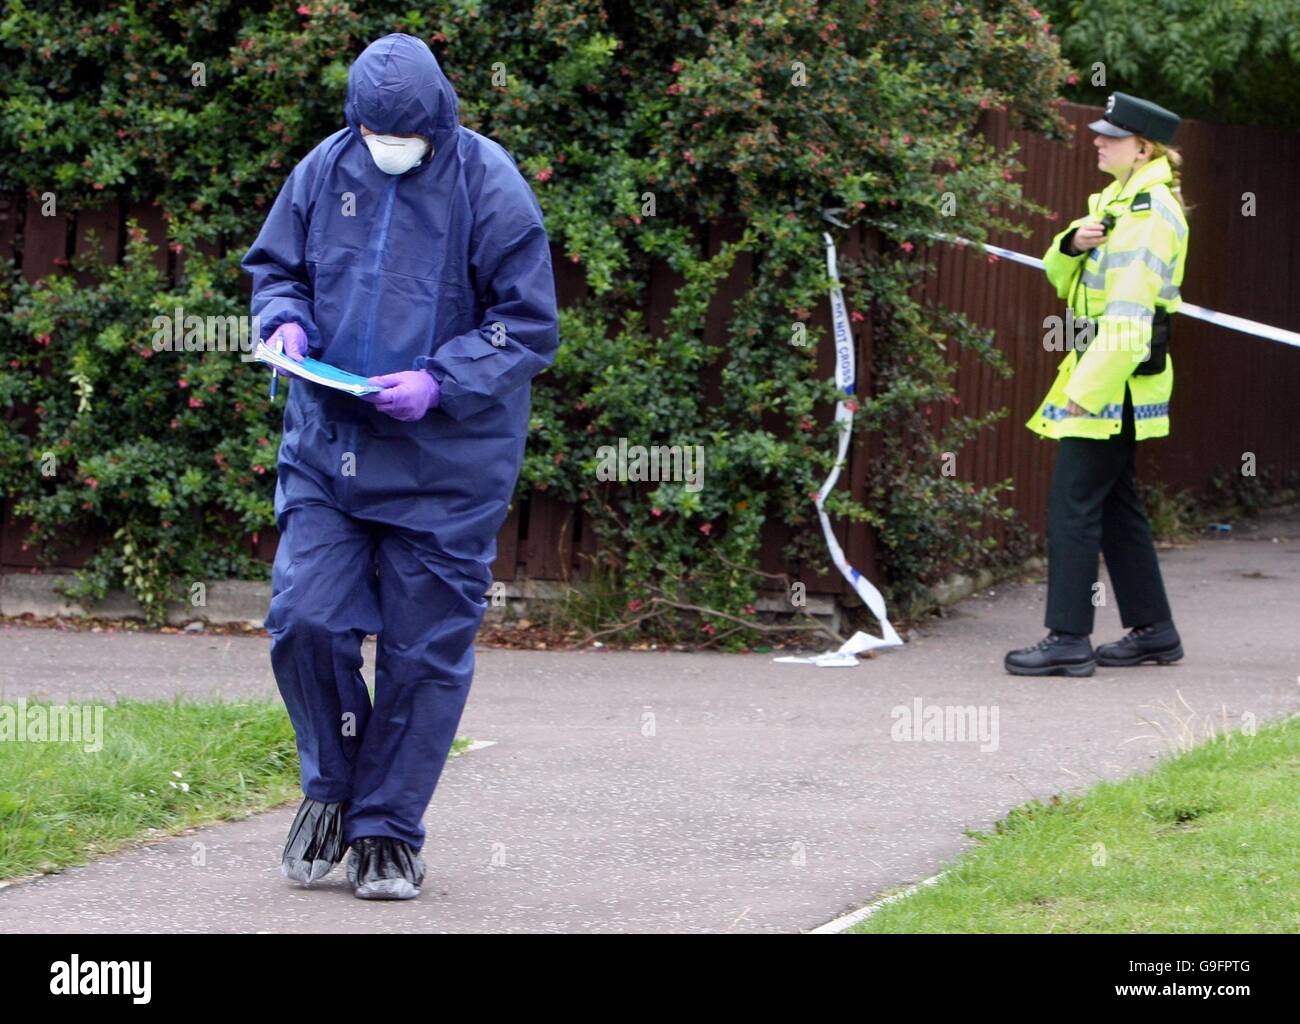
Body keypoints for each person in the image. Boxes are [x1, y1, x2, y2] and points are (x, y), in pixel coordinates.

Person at [241, 33, 559, 897]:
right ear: (355, 118)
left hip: (448, 465)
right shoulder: (324, 168)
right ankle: (333, 793)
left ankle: (388, 831)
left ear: (439, 118)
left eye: (405, 132)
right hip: (329, 451)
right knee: (306, 620)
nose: (389, 146)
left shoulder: (488, 183)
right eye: (375, 130)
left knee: (422, 654)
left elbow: (528, 326)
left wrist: (440, 381)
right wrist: (285, 322)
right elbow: (276, 269)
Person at [1005, 92, 1188, 677]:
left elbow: (1132, 319)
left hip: (1112, 383)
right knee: (1113, 506)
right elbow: (1063, 282)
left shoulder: (1148, 211)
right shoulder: (1115, 202)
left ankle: (1067, 639)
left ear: (1143, 148)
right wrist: (1070, 244)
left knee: (1073, 506)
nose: (1098, 140)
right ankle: (1154, 631)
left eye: (1112, 135)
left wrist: (1089, 389)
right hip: (1110, 379)